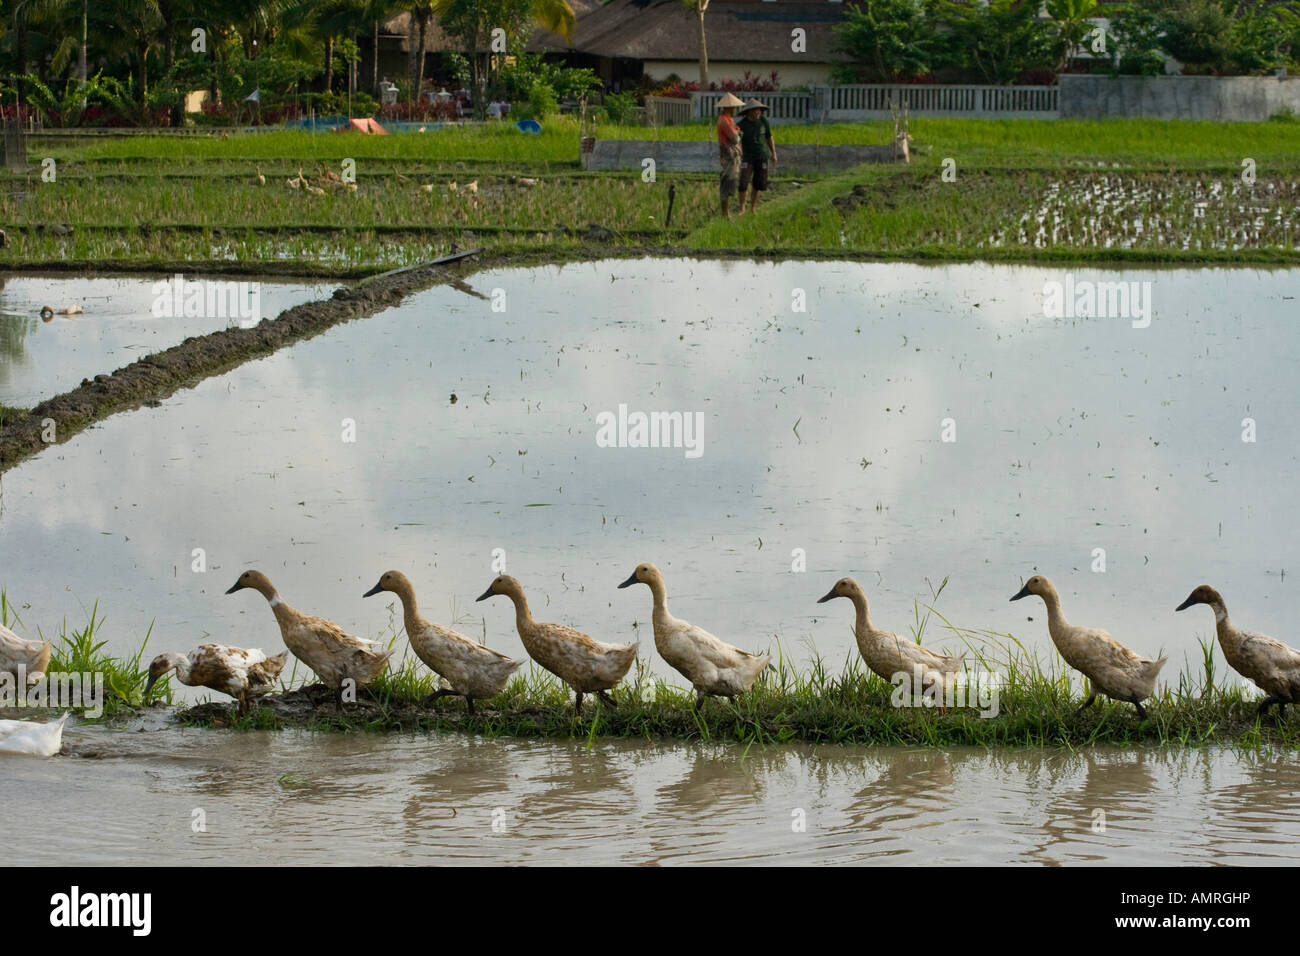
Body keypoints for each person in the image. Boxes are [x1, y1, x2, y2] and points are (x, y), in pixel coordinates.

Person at [737, 98, 776, 214]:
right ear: (749, 111)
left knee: (758, 183)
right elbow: (736, 140)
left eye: (759, 110)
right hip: (748, 157)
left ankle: (753, 208)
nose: (758, 112)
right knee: (743, 183)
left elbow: (769, 137)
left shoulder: (764, 121)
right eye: (756, 110)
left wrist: (774, 153)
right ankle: (742, 208)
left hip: (762, 155)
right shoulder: (741, 125)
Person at [715, 92, 745, 218]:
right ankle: (725, 214)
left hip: (733, 155)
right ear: (729, 108)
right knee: (727, 182)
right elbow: (735, 138)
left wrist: (738, 132)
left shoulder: (729, 119)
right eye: (734, 107)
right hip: (728, 155)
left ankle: (726, 213)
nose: (735, 109)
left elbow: (738, 132)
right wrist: (738, 132)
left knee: (731, 181)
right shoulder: (724, 121)